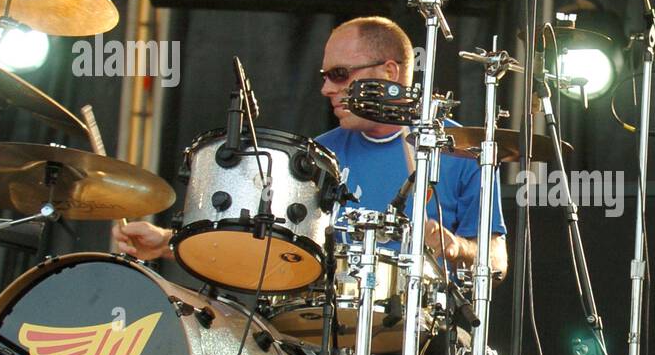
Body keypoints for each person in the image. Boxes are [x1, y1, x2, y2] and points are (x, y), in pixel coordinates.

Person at [114, 15, 507, 276]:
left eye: (339, 74)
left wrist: (455, 247)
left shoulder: (461, 149)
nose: (326, 89)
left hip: (423, 337)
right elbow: (261, 241)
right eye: (324, 76)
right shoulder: (318, 156)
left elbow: (498, 261)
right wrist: (168, 241)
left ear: (389, 72)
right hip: (326, 335)